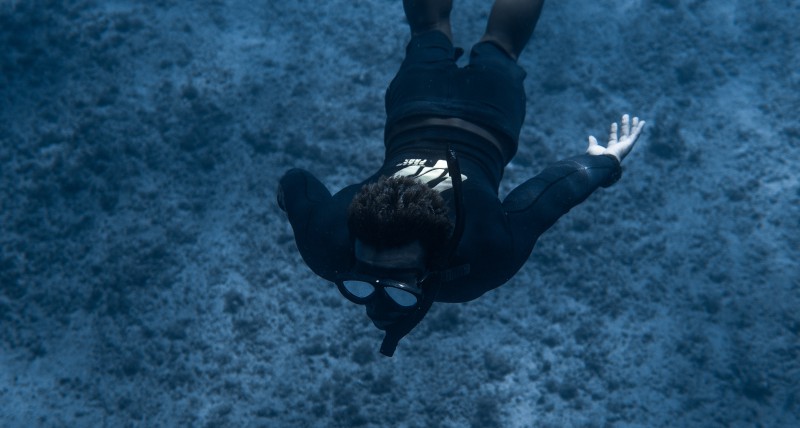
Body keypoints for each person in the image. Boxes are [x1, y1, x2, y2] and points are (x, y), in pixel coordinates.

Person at [277, 0, 645, 356]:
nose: (377, 295)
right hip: (418, 103)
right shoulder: (326, 239)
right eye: (379, 277)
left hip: (491, 116)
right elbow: (295, 183)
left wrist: (601, 164)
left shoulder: (479, 256)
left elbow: (544, 198)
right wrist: (603, 164)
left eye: (366, 278)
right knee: (440, 33)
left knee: (495, 45)